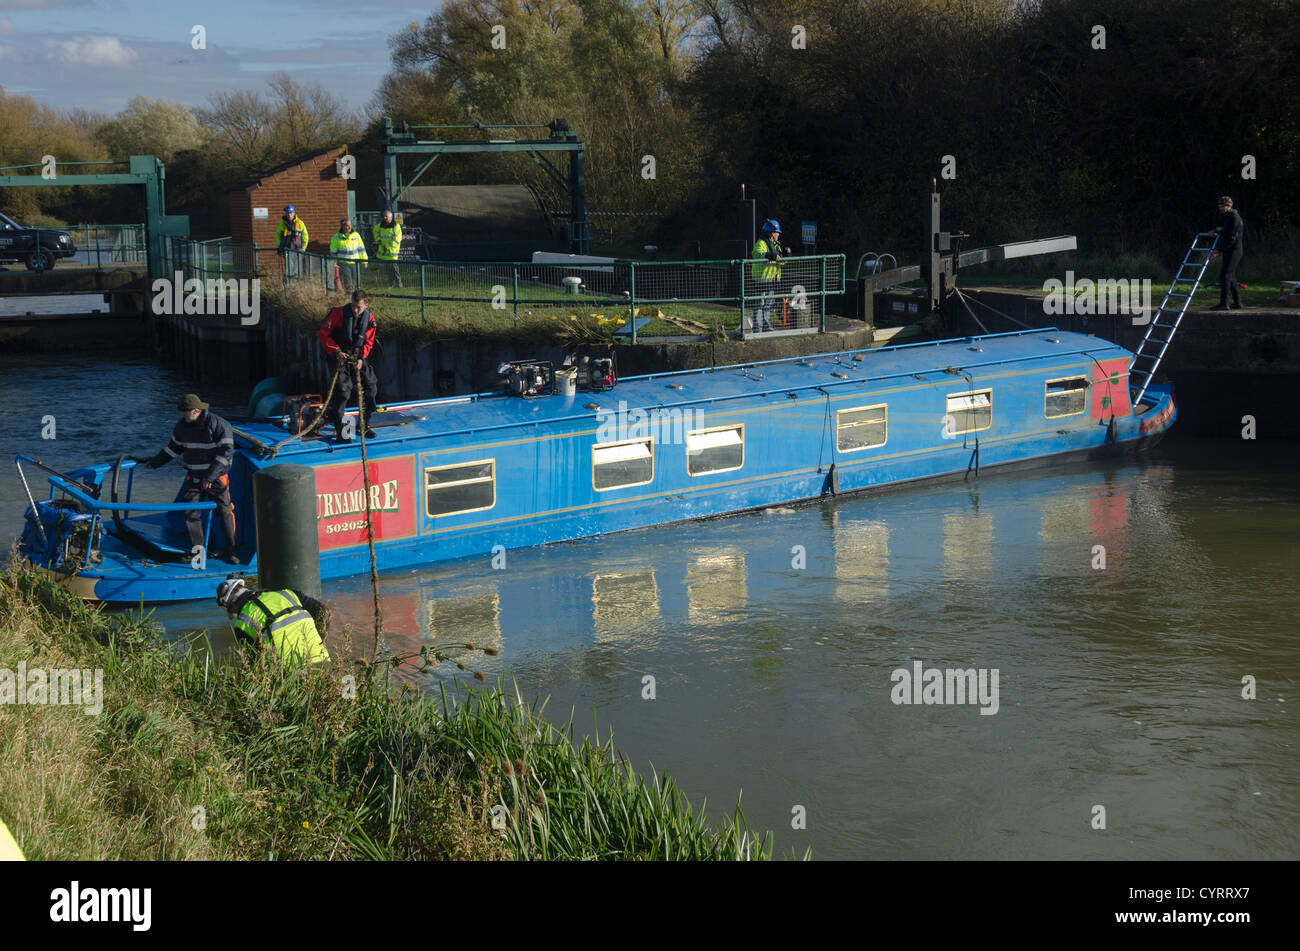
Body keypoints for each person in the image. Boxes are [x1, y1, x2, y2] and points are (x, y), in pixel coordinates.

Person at [143, 394, 239, 564]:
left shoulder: (219, 425)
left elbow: (225, 453)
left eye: (185, 412)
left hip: (217, 477)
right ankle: (198, 553)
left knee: (224, 512)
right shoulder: (182, 427)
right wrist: (154, 463)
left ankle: (231, 550)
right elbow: (173, 449)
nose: (182, 415)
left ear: (196, 410)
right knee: (191, 513)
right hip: (193, 476)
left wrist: (211, 475)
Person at [216, 577, 330, 671]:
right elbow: (324, 612)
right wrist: (321, 641)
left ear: (231, 605)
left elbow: (254, 666)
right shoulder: (287, 593)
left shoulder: (242, 624)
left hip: (289, 674)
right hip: (323, 662)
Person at [318, 290, 378, 443]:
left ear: (366, 305)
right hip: (339, 355)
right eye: (353, 306)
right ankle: (341, 431)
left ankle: (364, 424)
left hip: (357, 356)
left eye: (358, 307)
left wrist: (362, 357)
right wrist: (336, 351)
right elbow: (323, 334)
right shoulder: (338, 314)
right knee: (343, 391)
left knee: (371, 387)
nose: (355, 310)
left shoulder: (369, 319)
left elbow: (368, 341)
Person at [750, 219, 790, 333]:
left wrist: (786, 255)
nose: (778, 234)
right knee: (760, 305)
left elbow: (780, 261)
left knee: (768, 305)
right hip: (762, 279)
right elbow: (756, 254)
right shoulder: (761, 243)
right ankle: (757, 329)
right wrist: (769, 255)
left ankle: (766, 326)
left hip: (772, 280)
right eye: (777, 232)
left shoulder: (776, 245)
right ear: (771, 233)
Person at [1210, 195, 1244, 310]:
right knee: (1231, 276)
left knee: (1225, 276)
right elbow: (1223, 229)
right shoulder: (1226, 216)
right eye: (1220, 205)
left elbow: (1231, 237)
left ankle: (1224, 303)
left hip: (1234, 250)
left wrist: (1218, 250)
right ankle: (1238, 302)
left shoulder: (1234, 217)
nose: (1221, 208)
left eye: (1223, 206)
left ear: (1229, 206)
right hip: (1228, 249)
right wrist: (1215, 230)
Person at [329, 218, 368, 291]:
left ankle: (357, 299)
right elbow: (333, 252)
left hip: (355, 263)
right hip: (343, 264)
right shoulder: (336, 237)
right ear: (342, 226)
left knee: (356, 283)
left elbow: (361, 249)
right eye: (347, 225)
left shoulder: (356, 235)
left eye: (350, 225)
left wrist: (365, 261)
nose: (349, 227)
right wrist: (334, 263)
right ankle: (348, 298)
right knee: (348, 284)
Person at [275, 205, 309, 279]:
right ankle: (291, 285)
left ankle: (296, 285)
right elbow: (277, 237)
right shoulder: (282, 224)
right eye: (287, 213)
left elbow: (305, 236)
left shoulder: (300, 223)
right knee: (289, 268)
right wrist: (279, 248)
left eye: (290, 213)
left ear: (294, 213)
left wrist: (303, 249)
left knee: (297, 269)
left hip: (297, 250)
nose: (289, 215)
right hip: (286, 250)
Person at [372, 210, 403, 288]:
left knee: (394, 268)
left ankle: (399, 282)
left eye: (386, 216)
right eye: (384, 216)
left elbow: (397, 239)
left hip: (392, 252)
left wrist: (388, 246)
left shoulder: (396, 226)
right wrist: (378, 239)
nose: (385, 218)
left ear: (391, 217)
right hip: (384, 253)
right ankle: (391, 284)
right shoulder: (381, 225)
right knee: (388, 270)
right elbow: (375, 230)